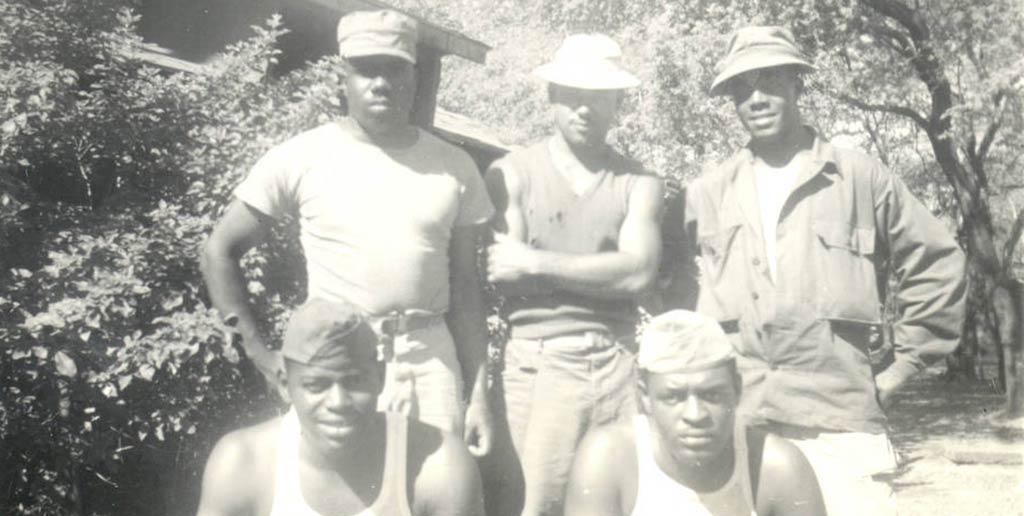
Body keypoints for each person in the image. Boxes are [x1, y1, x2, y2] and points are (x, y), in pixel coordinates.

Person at [664, 26, 967, 516]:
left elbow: (938, 261)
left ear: (797, 85)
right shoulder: (707, 193)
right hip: (740, 425)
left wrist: (901, 370)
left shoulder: (858, 177)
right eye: (742, 88)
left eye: (769, 81)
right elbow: (669, 292)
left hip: (838, 421)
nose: (755, 98)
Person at [199, 9, 494, 454]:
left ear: (414, 76)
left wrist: (478, 396)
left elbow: (468, 289)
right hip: (338, 361)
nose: (381, 83)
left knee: (438, 489)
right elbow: (218, 251)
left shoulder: (455, 166)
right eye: (365, 70)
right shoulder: (302, 156)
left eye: (394, 68)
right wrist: (261, 356)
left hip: (430, 358)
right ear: (343, 77)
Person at [484, 33, 664, 516]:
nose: (585, 110)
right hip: (541, 361)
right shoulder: (513, 173)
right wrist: (604, 270)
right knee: (535, 502)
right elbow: (506, 272)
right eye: (574, 96)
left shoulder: (640, 183)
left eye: (599, 99)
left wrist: (540, 262)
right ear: (552, 98)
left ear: (618, 104)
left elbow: (639, 273)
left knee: (616, 500)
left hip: (618, 358)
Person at [195, 298, 484, 516]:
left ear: (381, 377)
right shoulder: (243, 464)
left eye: (354, 382)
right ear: (285, 384)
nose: (338, 403)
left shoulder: (439, 464)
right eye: (317, 386)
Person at [564, 310, 825, 516]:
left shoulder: (775, 465)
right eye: (673, 397)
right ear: (644, 396)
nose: (695, 414)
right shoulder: (610, 458)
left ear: (737, 389)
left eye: (712, 395)